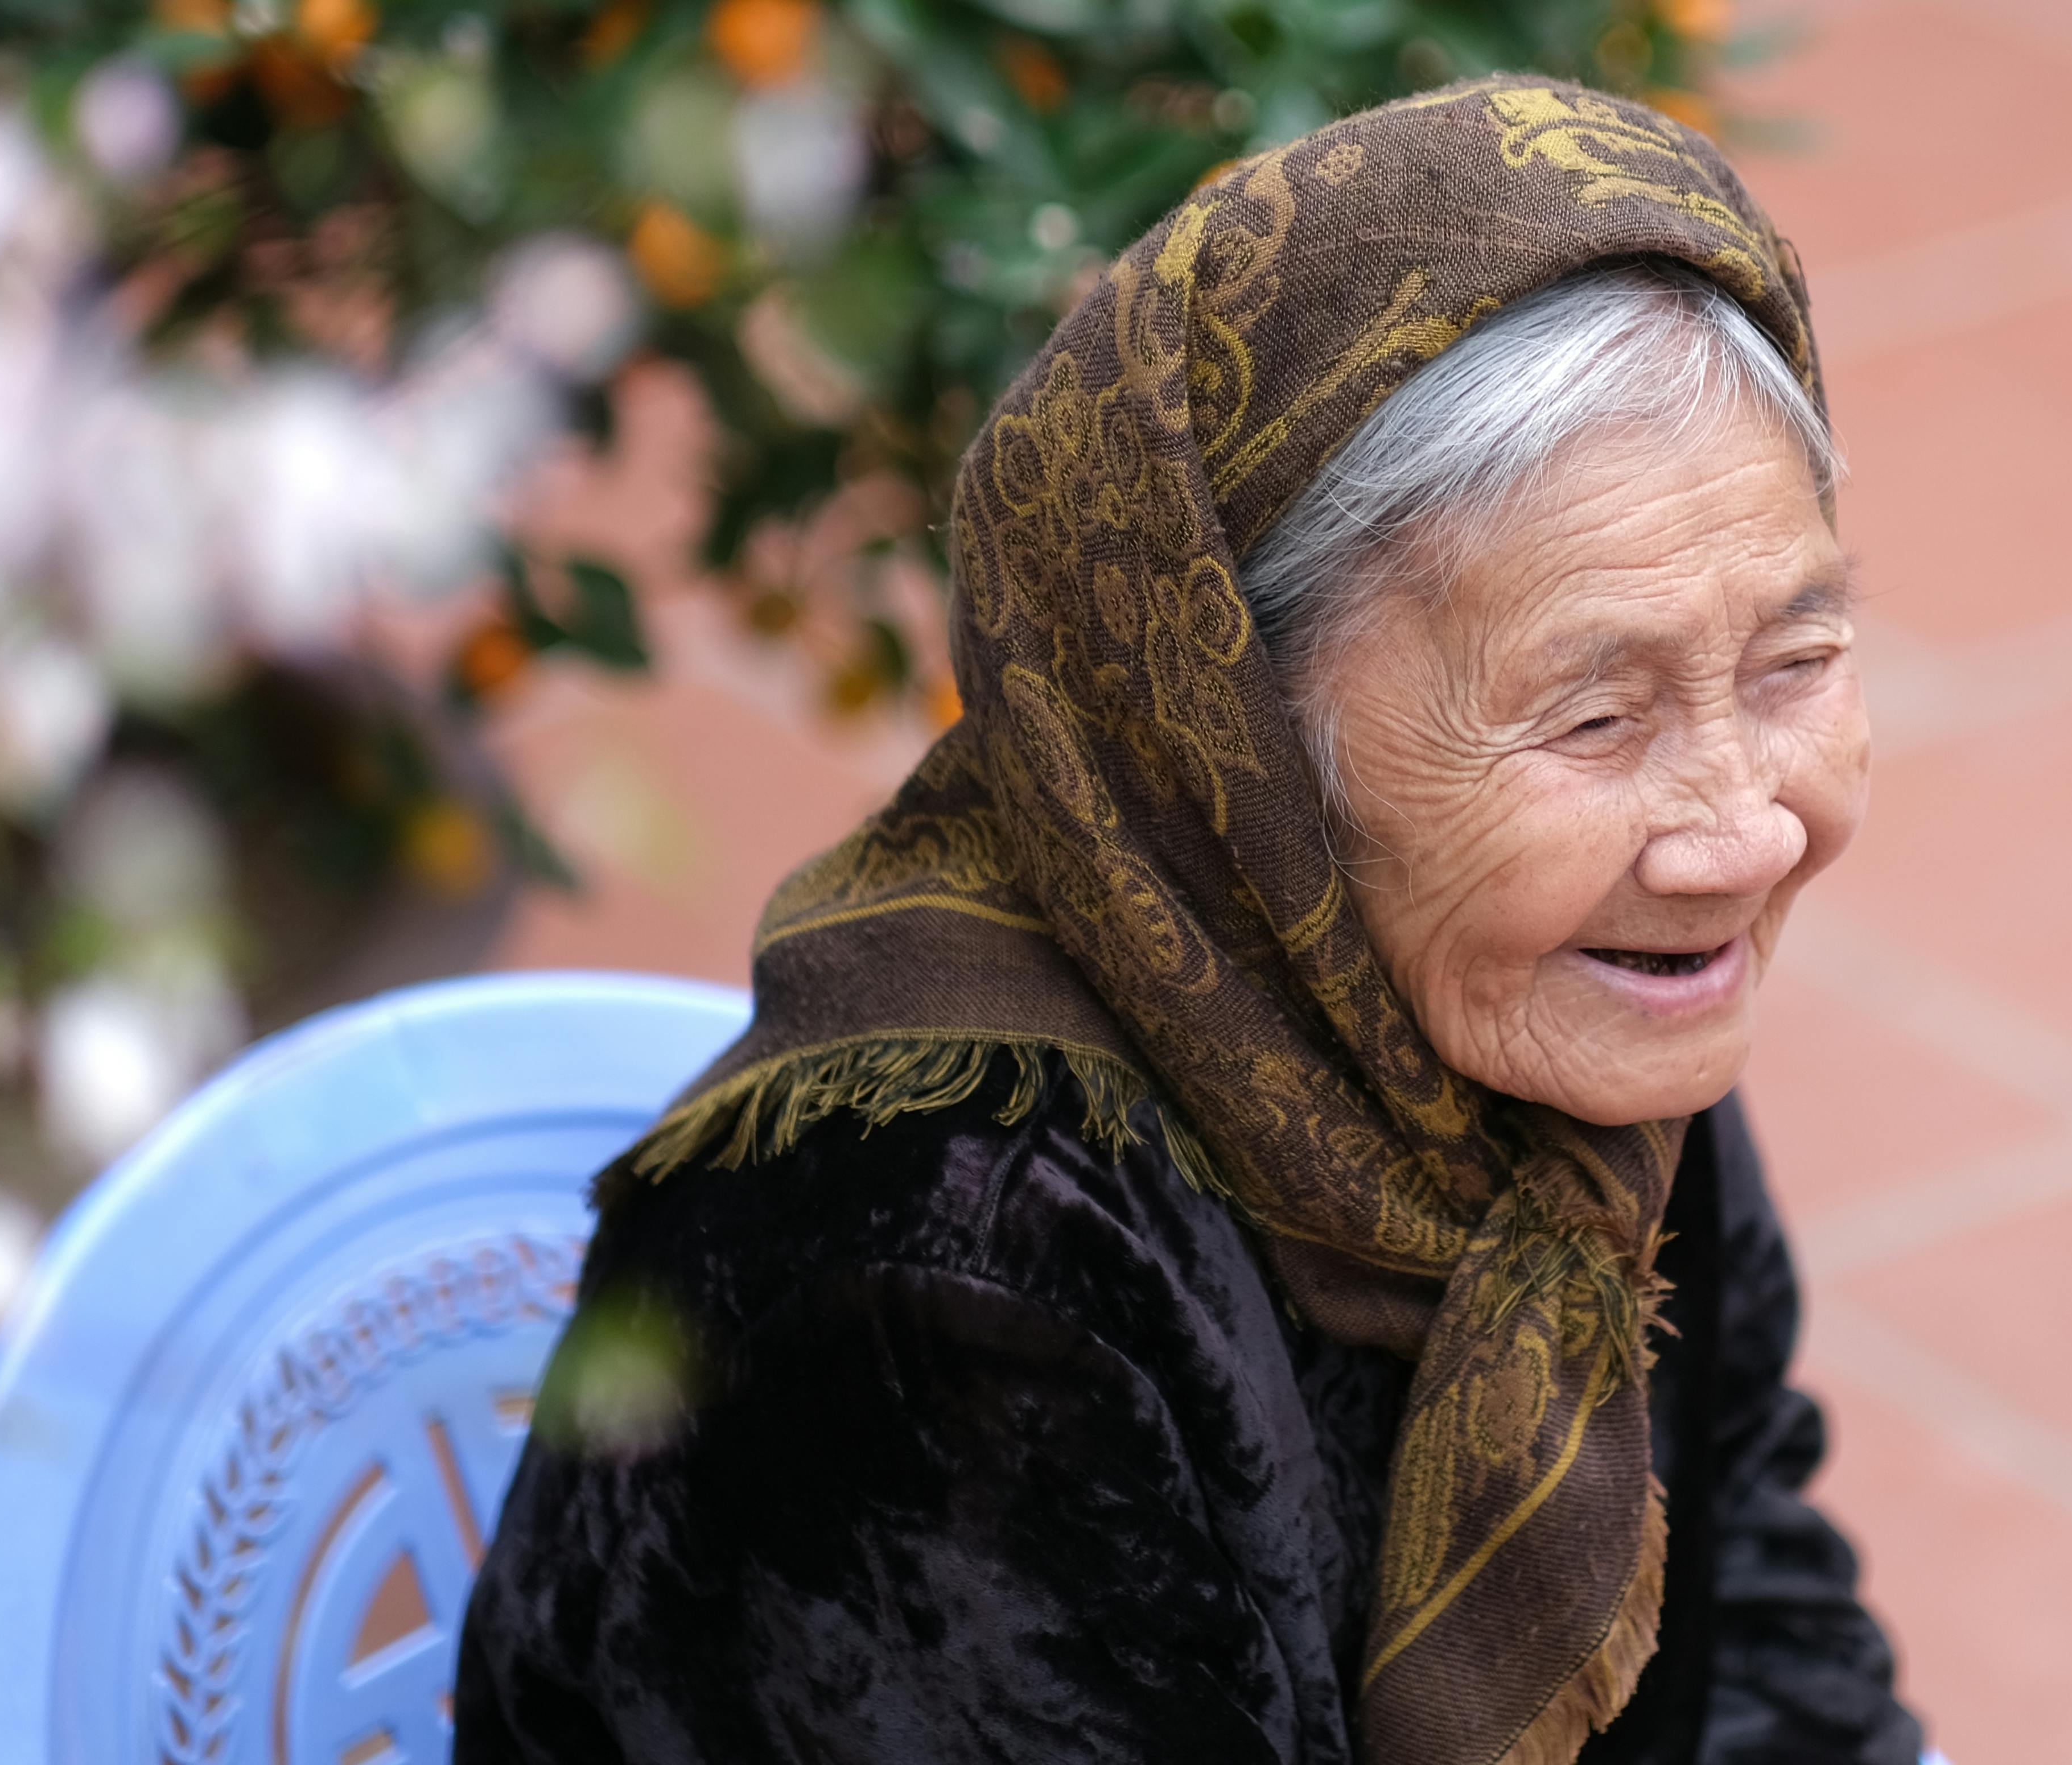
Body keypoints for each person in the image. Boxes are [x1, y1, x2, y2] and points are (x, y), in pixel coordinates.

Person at [456, 76, 1925, 1765]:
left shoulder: (1589, 982)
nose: (1742, 831)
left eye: (1795, 664)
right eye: (1594, 721)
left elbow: (1753, 1606)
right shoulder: (951, 1268)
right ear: (1237, 739)